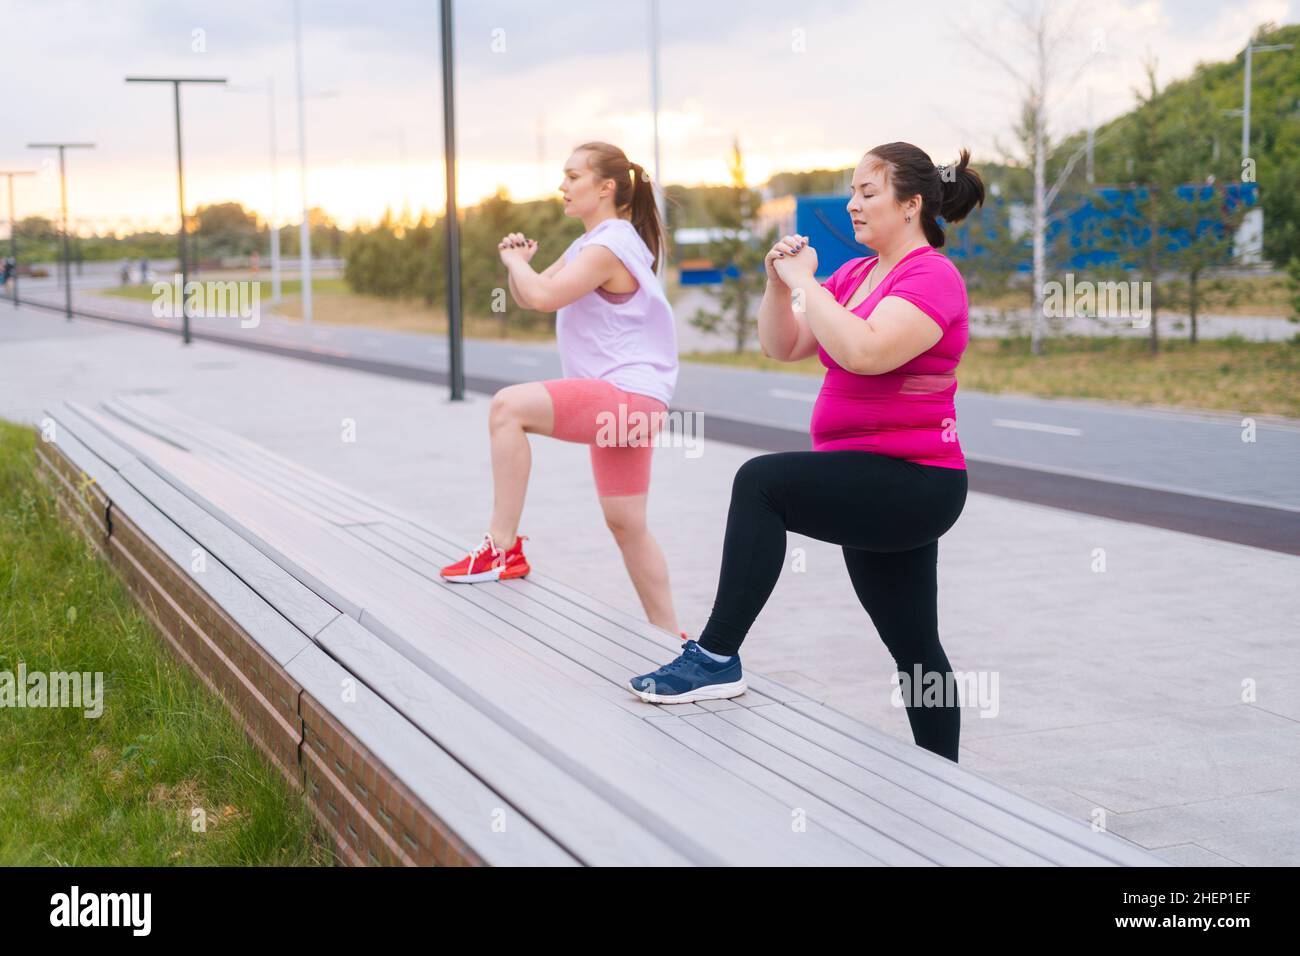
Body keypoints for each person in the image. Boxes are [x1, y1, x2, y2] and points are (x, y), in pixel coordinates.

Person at [629, 142, 985, 763]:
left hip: (914, 481)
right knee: (916, 647)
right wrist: (778, 286)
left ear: (912, 205)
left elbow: (866, 351)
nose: (852, 204)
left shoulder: (930, 274)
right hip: (871, 481)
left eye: (867, 192)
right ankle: (945, 779)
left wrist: (806, 283)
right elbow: (784, 343)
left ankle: (715, 655)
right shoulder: (854, 275)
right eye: (852, 191)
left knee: (763, 483)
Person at [440, 141, 687, 639]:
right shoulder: (603, 242)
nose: (562, 186)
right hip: (636, 404)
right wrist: (520, 263)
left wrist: (516, 265)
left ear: (606, 187)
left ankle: (502, 547)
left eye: (573, 176)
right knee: (626, 523)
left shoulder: (607, 244)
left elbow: (542, 293)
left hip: (624, 395)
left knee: (508, 408)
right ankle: (671, 635)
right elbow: (531, 295)